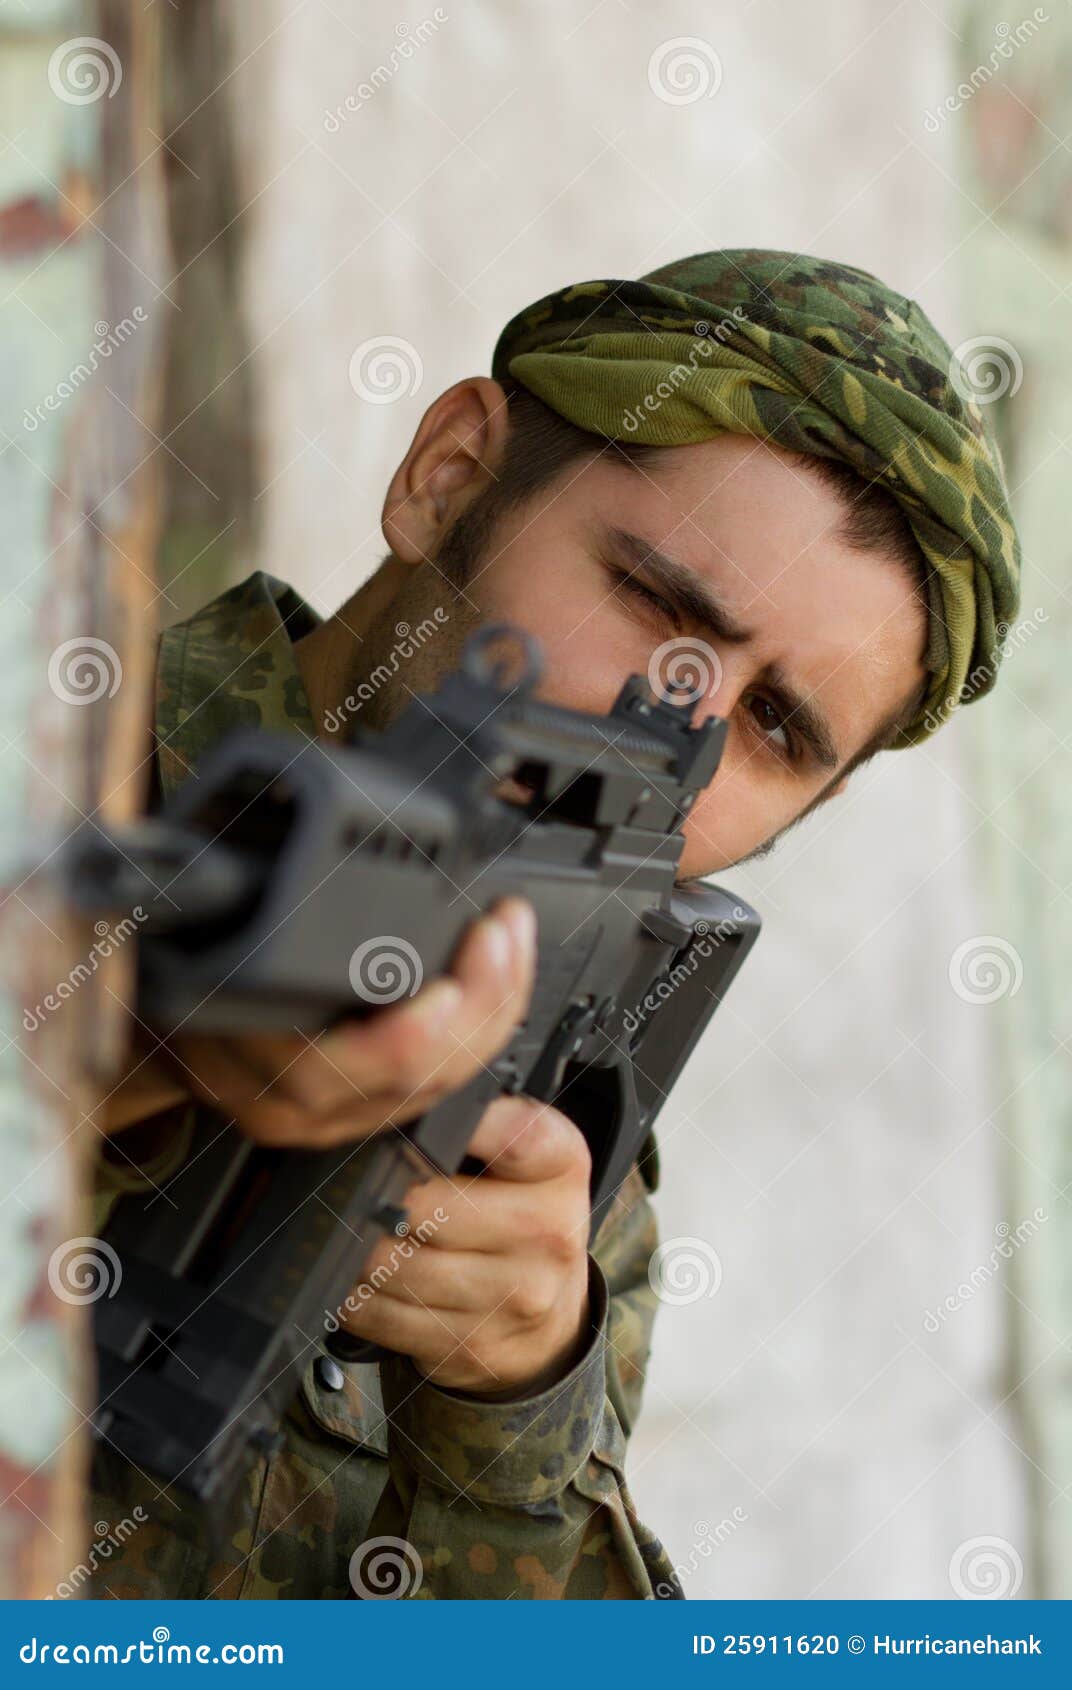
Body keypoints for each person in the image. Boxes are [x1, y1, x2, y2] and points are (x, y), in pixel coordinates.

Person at [86, 250, 1020, 1600]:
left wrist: (519, 1404)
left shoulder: (568, 1176)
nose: (673, 732)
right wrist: (117, 1040)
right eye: (659, 604)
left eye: (773, 727)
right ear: (449, 474)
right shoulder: (57, 769)